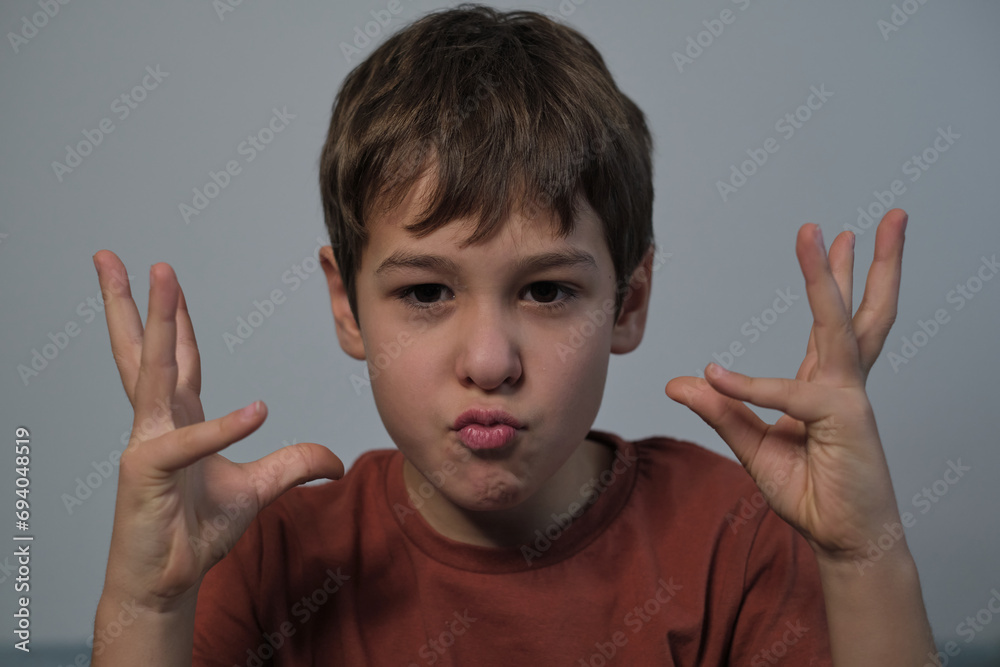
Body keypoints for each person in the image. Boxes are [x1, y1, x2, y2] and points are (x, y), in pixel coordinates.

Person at [89, 4, 935, 665]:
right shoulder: (266, 556)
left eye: (546, 291)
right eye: (425, 291)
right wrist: (150, 604)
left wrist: (863, 553)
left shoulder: (734, 540)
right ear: (348, 306)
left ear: (629, 301)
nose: (489, 361)